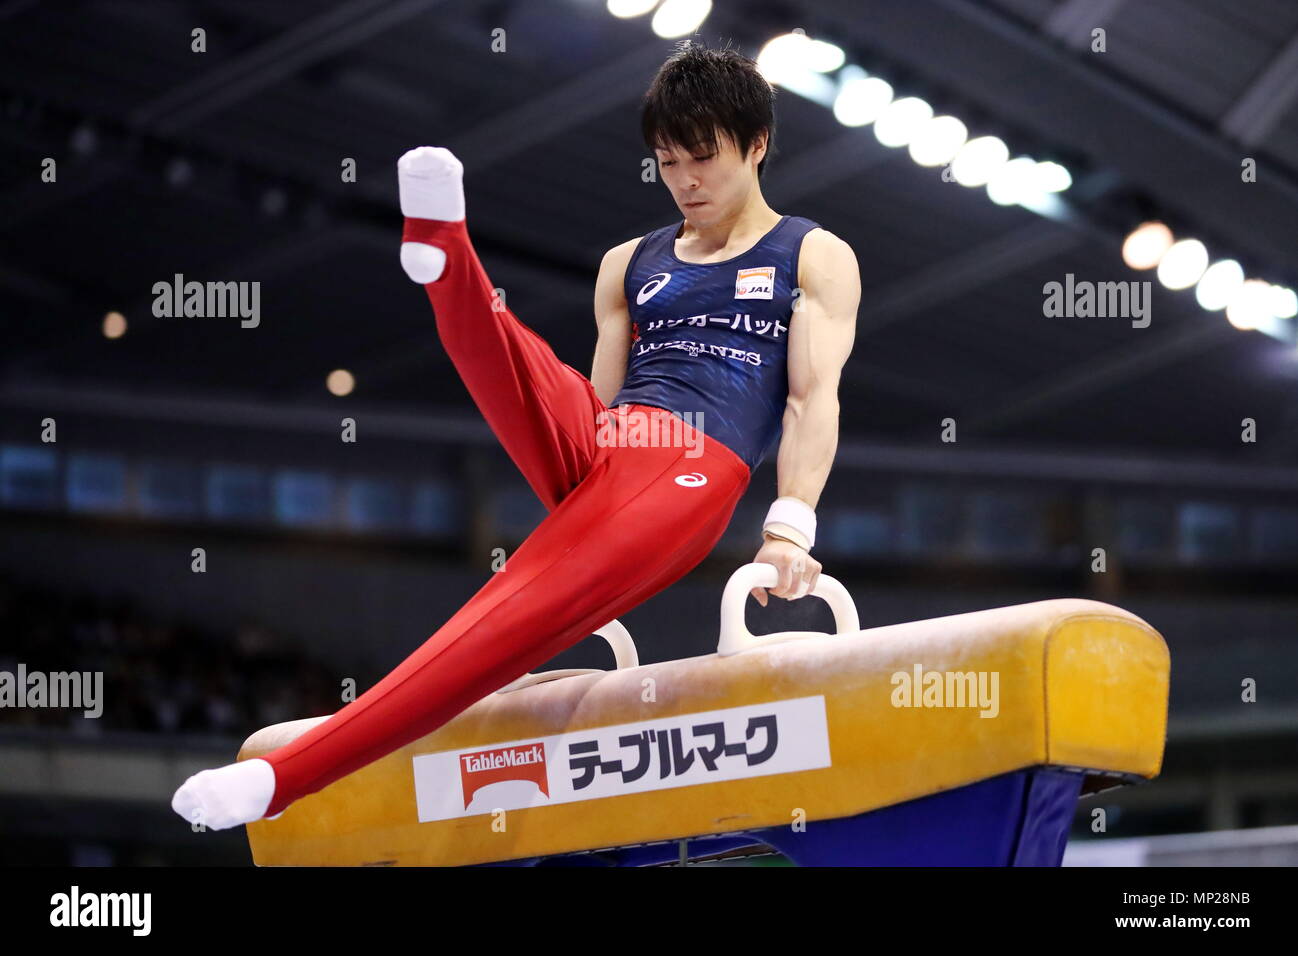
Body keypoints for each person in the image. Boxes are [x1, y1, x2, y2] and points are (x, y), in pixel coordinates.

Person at [171, 41, 860, 830]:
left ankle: (282, 778)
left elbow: (812, 400)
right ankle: (449, 260)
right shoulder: (629, 264)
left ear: (758, 144)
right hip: (615, 447)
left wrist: (788, 529)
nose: (686, 182)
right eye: (668, 162)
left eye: (703, 158)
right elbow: (587, 410)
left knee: (493, 629)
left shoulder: (811, 255)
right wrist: (582, 501)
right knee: (526, 366)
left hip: (693, 470)